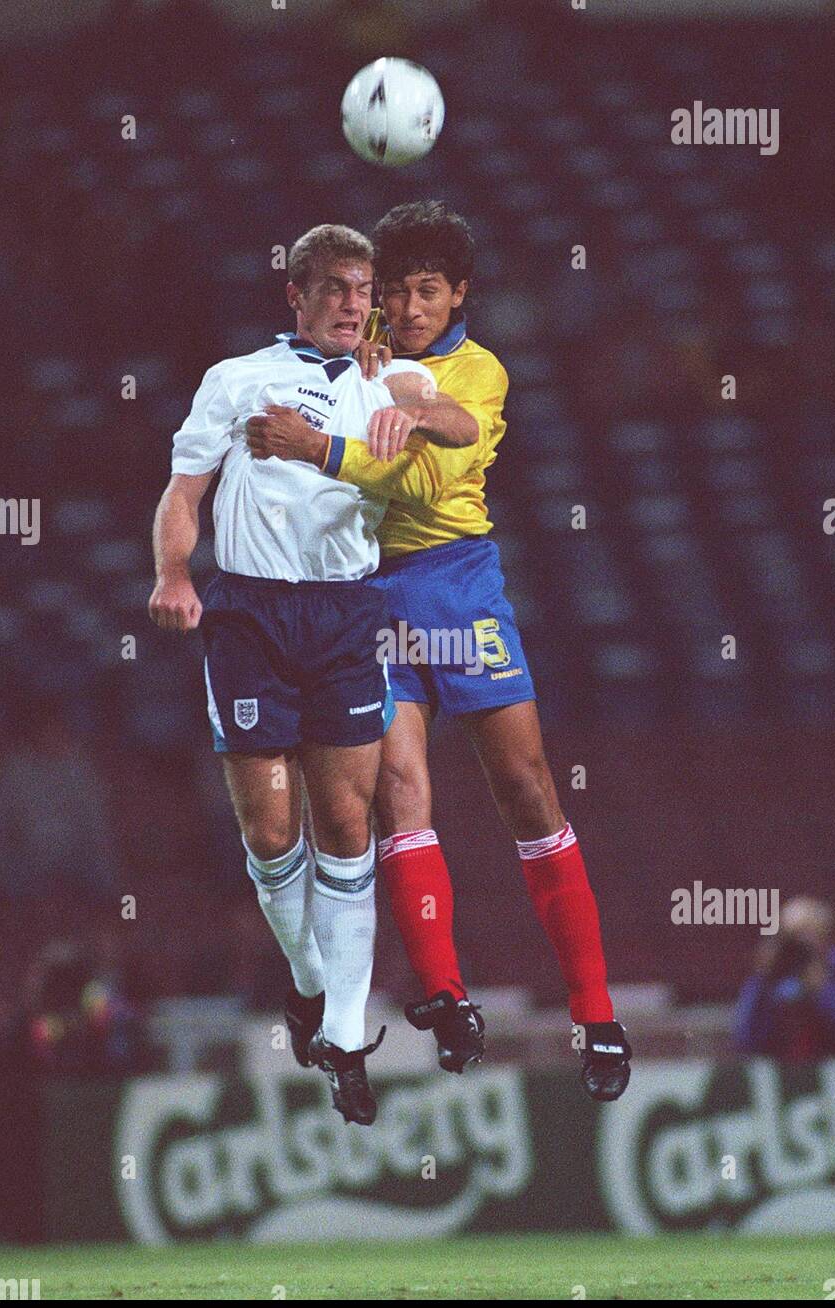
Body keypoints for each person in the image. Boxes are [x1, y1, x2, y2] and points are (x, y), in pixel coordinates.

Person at [252, 203, 630, 1101]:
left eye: (428, 290)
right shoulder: (355, 348)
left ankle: (596, 1012)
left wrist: (322, 448)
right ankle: (446, 998)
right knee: (398, 792)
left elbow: (426, 470)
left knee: (526, 787)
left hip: (456, 587)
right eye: (395, 291)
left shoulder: (479, 372)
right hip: (362, 593)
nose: (409, 307)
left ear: (460, 293)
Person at [148, 224, 476, 1124]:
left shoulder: (388, 375)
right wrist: (175, 574)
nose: (351, 303)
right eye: (332, 287)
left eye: (362, 289)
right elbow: (186, 492)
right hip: (250, 612)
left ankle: (343, 1037)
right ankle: (306, 980)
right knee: (268, 832)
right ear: (294, 295)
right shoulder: (237, 378)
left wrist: (417, 412)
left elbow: (461, 421)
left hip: (345, 614)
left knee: (345, 821)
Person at [735, 896, 835, 1061]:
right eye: (790, 938)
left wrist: (824, 993)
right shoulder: (771, 979)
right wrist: (764, 984)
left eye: (806, 935)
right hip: (788, 1076)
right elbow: (745, 1039)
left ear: (827, 936)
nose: (798, 946)